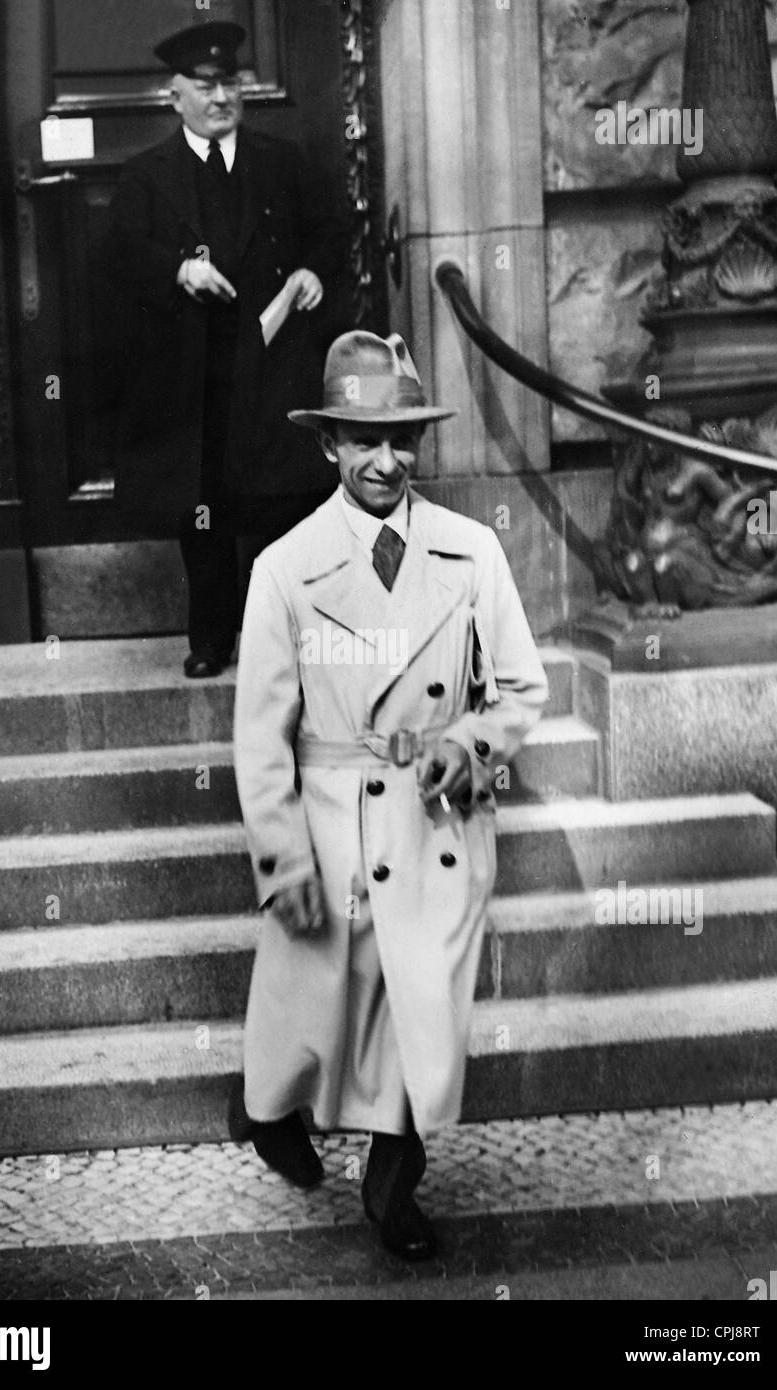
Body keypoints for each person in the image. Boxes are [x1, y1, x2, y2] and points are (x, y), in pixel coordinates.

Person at [229, 330, 549, 1260]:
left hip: (436, 823)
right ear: (327, 445)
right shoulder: (284, 570)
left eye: (402, 438)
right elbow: (260, 738)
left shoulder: (470, 553)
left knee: (422, 1013)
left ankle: (392, 1184)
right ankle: (269, 1111)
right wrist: (281, 856)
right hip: (332, 824)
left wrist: (471, 741)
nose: (385, 460)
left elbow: (522, 688)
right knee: (319, 1007)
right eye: (363, 439)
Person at [100, 22, 344, 677]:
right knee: (203, 509)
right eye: (204, 87)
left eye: (229, 84)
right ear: (173, 96)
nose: (219, 97)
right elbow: (120, 256)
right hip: (195, 371)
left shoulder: (281, 161)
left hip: (274, 360)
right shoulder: (146, 176)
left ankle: (287, 637)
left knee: (283, 503)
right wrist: (179, 270)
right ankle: (210, 640)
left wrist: (313, 271)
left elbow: (330, 234)